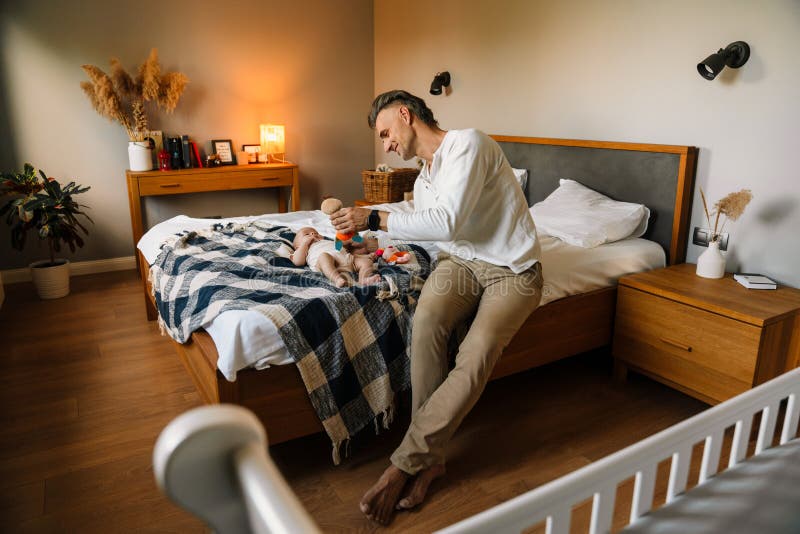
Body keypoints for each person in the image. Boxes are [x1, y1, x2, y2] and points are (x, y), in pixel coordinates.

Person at [330, 90, 543, 524]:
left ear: (406, 115)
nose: (386, 144)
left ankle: (405, 464)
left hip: (513, 270)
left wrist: (372, 216)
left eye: (386, 132)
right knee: (425, 322)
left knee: (475, 354)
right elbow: (429, 226)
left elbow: (447, 221)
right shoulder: (425, 176)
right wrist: (372, 237)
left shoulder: (470, 144)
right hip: (462, 262)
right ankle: (432, 460)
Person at [286, 226, 380, 287]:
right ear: (297, 245)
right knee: (324, 256)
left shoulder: (327, 242)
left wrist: (364, 256)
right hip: (327, 264)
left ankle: (363, 279)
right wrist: (304, 244)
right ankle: (337, 279)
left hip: (348, 261)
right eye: (307, 234)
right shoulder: (302, 249)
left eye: (316, 233)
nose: (313, 234)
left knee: (367, 262)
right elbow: (298, 262)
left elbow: (343, 251)